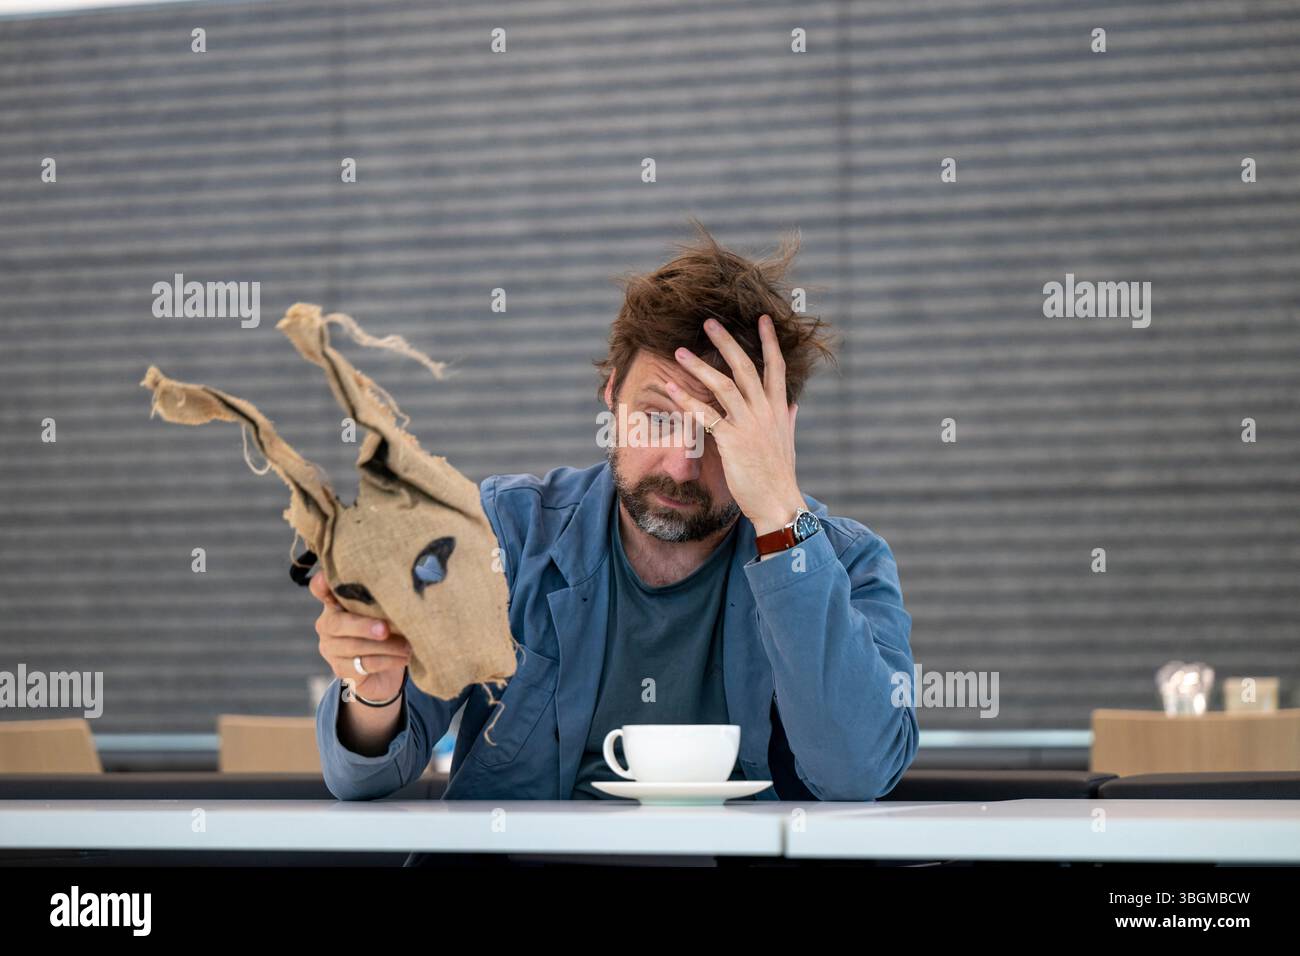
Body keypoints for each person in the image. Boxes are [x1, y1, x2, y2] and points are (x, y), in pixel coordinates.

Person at [312, 219, 918, 810]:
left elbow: (856, 772)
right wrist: (372, 688)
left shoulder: (845, 562)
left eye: (719, 430)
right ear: (611, 394)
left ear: (774, 432)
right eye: (657, 417)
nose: (681, 467)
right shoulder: (502, 533)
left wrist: (783, 517)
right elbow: (363, 781)